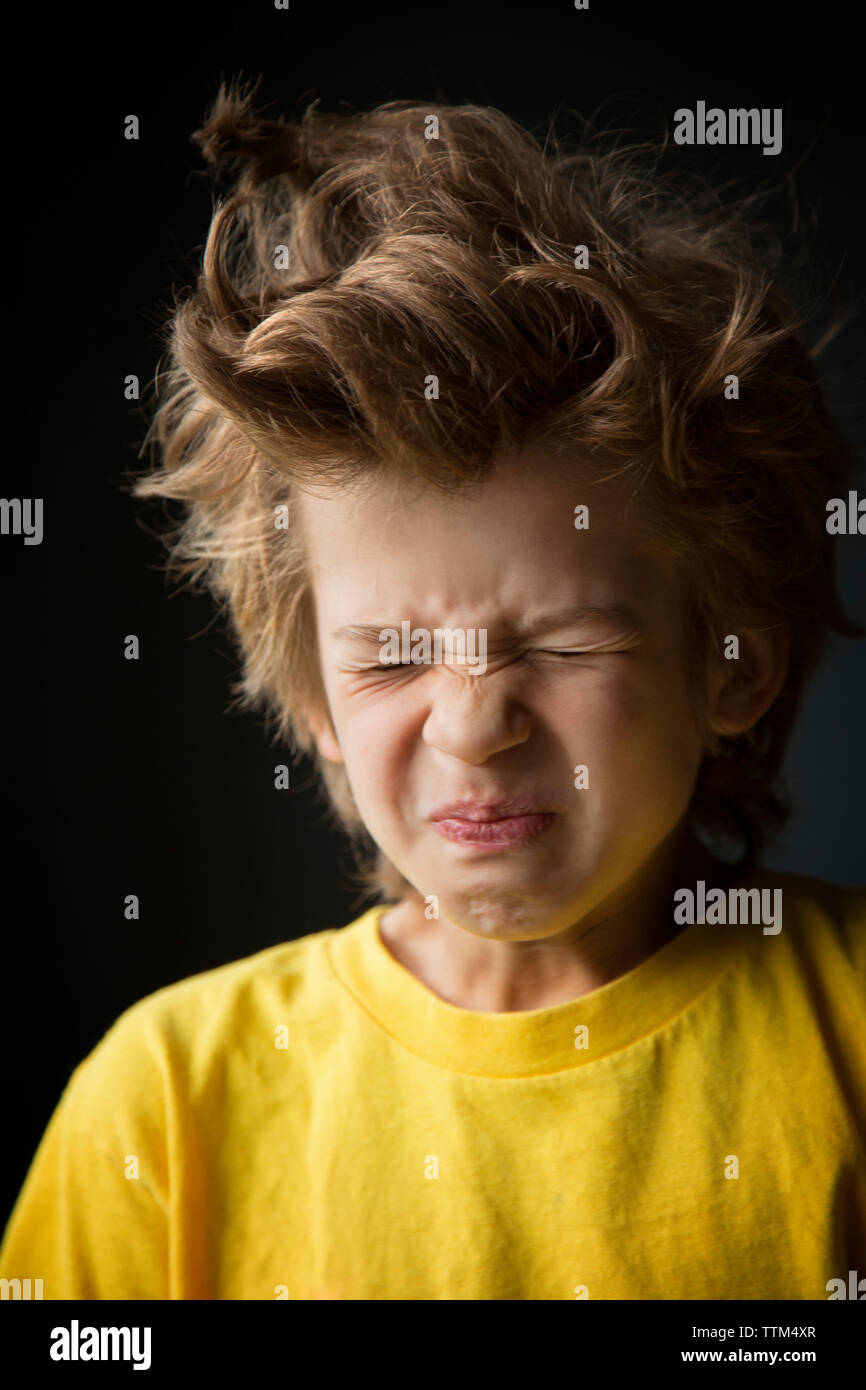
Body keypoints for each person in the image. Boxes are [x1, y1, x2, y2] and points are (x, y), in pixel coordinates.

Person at [2, 77, 864, 1300]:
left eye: (563, 645)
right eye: (390, 656)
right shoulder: (162, 1110)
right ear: (312, 700)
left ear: (732, 665)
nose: (471, 722)